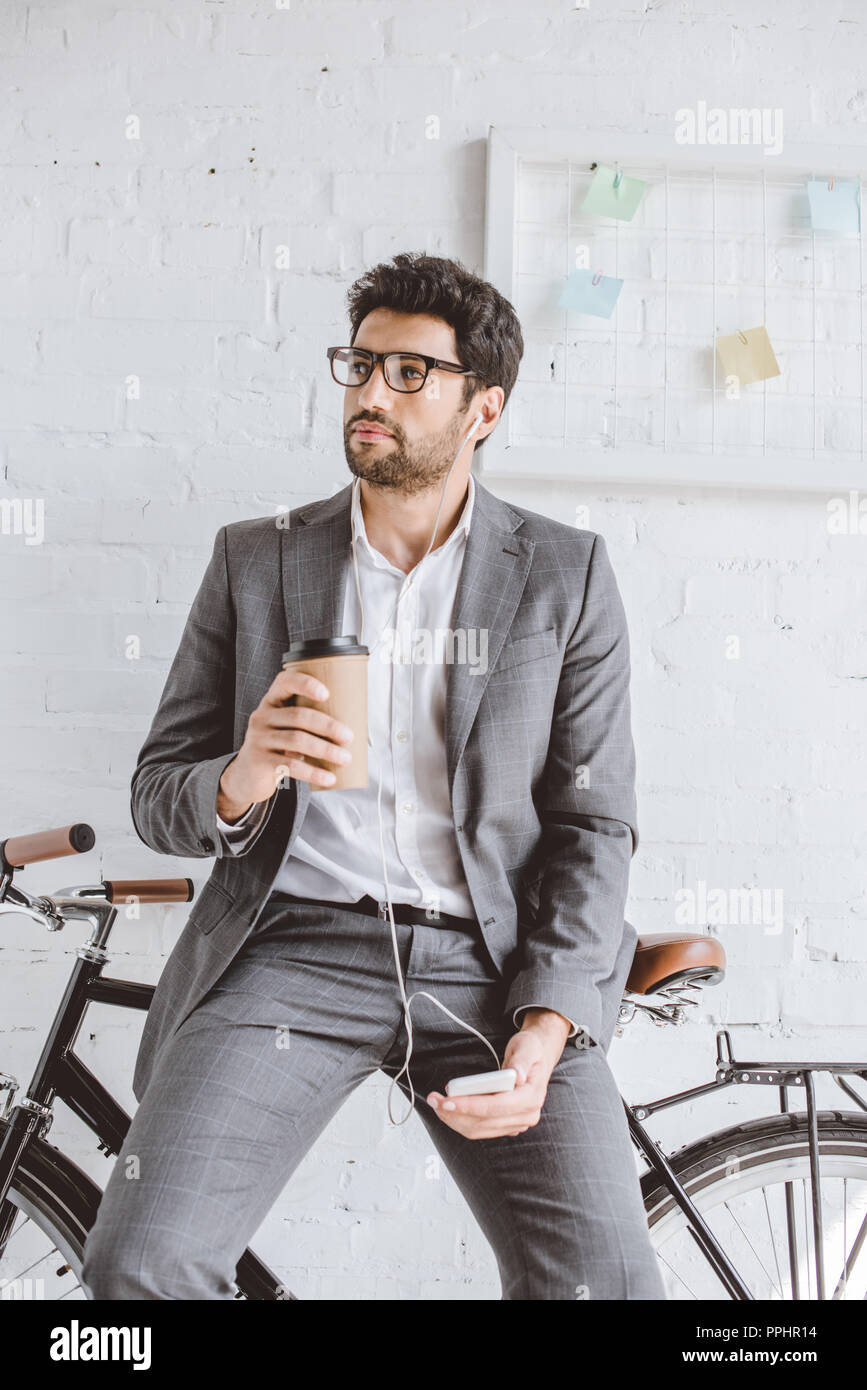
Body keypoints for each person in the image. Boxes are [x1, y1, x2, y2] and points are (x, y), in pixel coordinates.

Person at [81, 252, 665, 1301]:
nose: (368, 393)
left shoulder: (564, 572)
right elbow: (158, 790)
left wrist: (545, 1026)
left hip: (491, 962)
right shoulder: (255, 559)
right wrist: (244, 772)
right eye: (359, 365)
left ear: (482, 408)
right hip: (292, 946)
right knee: (140, 1261)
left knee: (606, 1288)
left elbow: (593, 822)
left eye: (409, 373)